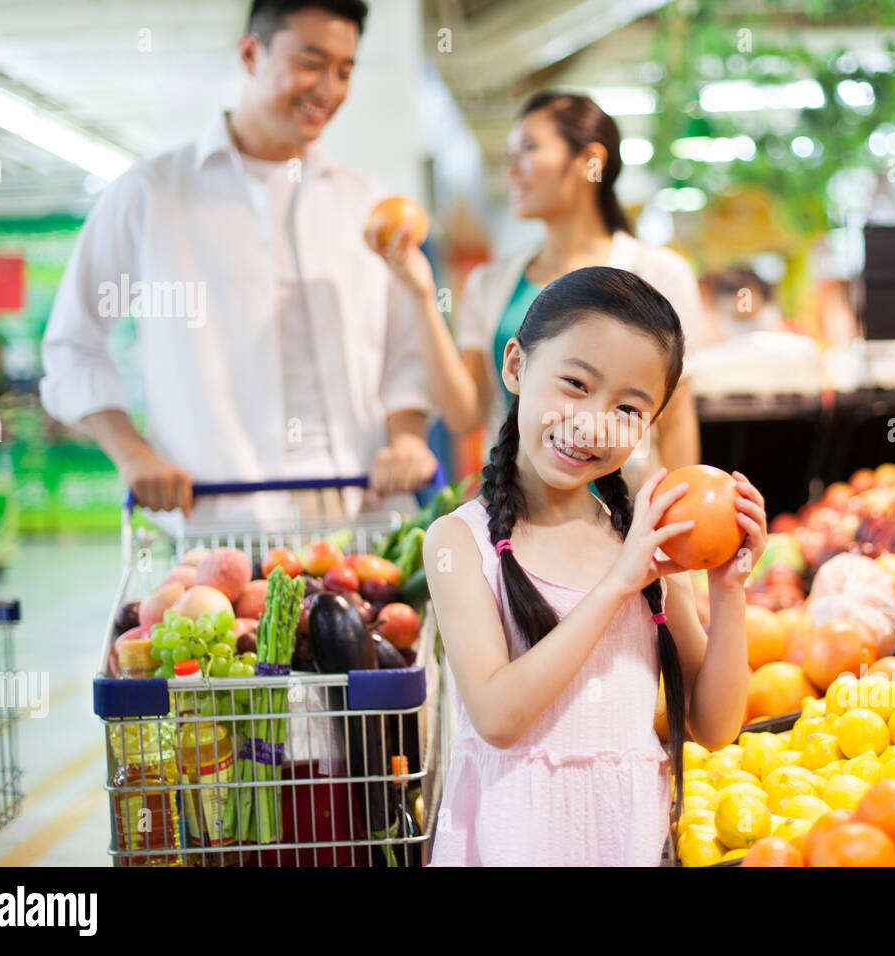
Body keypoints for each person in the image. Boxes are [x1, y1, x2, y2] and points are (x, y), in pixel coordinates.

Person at [39, 0, 436, 529]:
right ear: (251, 53)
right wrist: (131, 453)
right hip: (219, 527)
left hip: (364, 520)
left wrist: (407, 437)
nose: (329, 90)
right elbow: (73, 344)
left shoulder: (367, 203)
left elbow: (405, 352)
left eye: (345, 71)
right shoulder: (151, 193)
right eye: (311, 63)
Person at [424, 267, 765, 866]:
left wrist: (727, 586)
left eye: (629, 409)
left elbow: (713, 724)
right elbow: (499, 717)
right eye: (576, 384)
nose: (593, 423)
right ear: (515, 366)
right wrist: (617, 585)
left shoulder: (644, 546)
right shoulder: (459, 542)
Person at [377, 90, 702, 487]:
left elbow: (676, 417)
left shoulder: (659, 274)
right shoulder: (491, 284)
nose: (511, 169)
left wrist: (679, 521)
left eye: (529, 148)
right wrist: (422, 295)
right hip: (514, 513)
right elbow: (464, 415)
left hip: (625, 513)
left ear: (589, 161)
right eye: (510, 155)